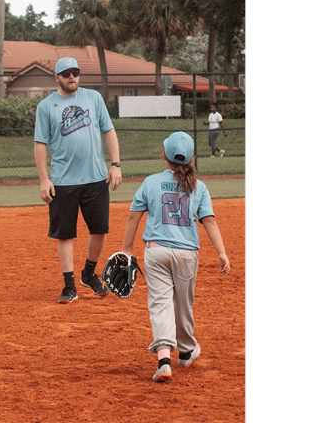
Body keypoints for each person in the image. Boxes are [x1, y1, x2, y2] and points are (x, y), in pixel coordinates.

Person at [120, 132, 230, 382]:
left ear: (164, 156)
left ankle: (164, 360)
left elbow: (133, 217)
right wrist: (221, 253)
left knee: (160, 304)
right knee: (183, 304)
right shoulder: (198, 186)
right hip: (186, 254)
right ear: (191, 158)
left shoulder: (150, 182)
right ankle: (187, 350)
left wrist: (127, 249)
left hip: (156, 252)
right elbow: (209, 221)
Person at [34, 57, 123, 304]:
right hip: (63, 181)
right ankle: (69, 286)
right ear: (57, 78)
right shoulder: (46, 106)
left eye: (75, 72)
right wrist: (44, 179)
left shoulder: (93, 98)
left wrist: (115, 165)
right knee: (65, 234)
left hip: (96, 178)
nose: (72, 77)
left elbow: (108, 130)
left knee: (100, 230)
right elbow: (40, 144)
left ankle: (88, 273)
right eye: (66, 73)